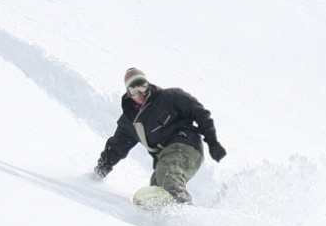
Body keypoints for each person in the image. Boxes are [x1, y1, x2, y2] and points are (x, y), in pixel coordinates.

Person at [93, 67, 226, 204]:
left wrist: (212, 142)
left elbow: (200, 113)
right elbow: (116, 147)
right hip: (165, 158)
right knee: (156, 190)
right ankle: (164, 219)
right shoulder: (130, 121)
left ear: (148, 84)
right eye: (134, 90)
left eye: (142, 86)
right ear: (129, 94)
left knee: (167, 174)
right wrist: (100, 170)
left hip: (186, 146)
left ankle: (184, 207)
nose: (141, 93)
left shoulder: (170, 97)